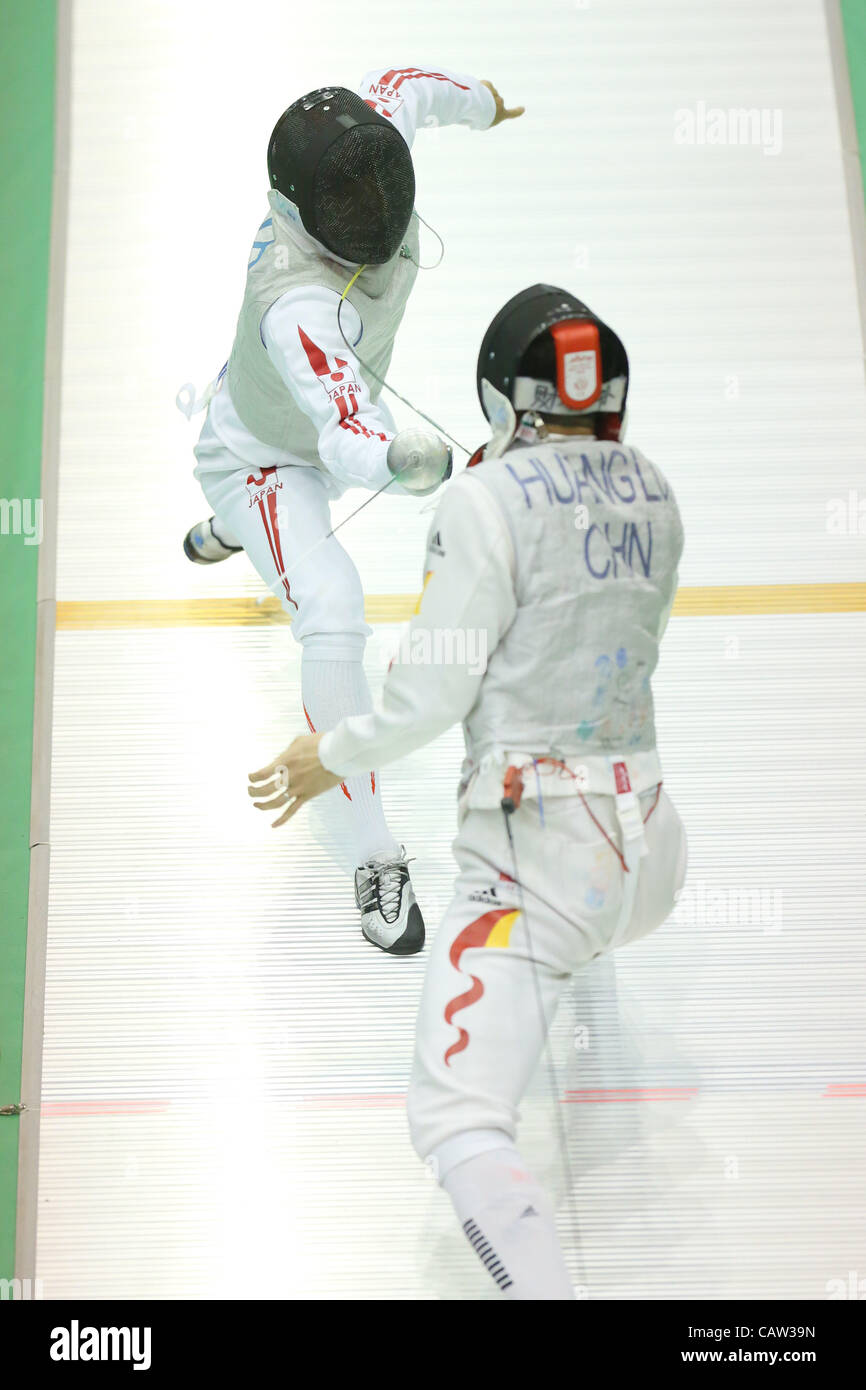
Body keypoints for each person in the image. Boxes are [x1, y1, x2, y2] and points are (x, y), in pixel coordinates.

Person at [248, 285, 687, 1299]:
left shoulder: (480, 502)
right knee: (588, 913)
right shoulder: (656, 492)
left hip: (540, 847)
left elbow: (433, 690)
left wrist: (334, 752)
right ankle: (578, 964)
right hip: (650, 842)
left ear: (501, 401)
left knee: (451, 1119)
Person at [182, 67, 524, 955]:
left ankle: (235, 539)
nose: (375, 204)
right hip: (267, 458)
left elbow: (418, 85)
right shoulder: (297, 303)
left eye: (383, 178)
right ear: (301, 213)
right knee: (330, 606)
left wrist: (482, 102)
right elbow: (342, 434)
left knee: (283, 551)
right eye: (350, 199)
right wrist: (401, 461)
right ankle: (375, 855)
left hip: (295, 419)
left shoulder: (368, 136)